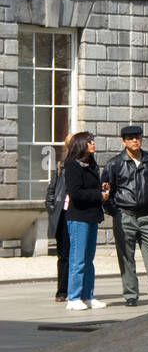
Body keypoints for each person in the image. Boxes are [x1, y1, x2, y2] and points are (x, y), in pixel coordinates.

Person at [101, 125, 148, 306]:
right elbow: (106, 192)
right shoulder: (115, 164)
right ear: (123, 141)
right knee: (126, 256)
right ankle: (131, 295)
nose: (135, 141)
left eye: (137, 137)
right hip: (125, 215)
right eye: (130, 138)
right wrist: (115, 212)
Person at [61, 132, 108, 311]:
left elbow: (88, 188)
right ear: (81, 144)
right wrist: (98, 195)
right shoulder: (72, 166)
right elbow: (76, 193)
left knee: (89, 259)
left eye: (93, 140)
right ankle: (73, 297)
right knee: (78, 259)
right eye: (89, 141)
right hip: (78, 217)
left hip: (91, 216)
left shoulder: (91, 165)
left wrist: (101, 188)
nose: (93, 143)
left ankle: (88, 296)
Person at [43, 133, 75, 302]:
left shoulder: (86, 165)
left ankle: (76, 290)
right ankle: (62, 291)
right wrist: (52, 208)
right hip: (62, 214)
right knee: (63, 254)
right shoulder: (61, 165)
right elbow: (51, 189)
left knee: (77, 255)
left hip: (78, 214)